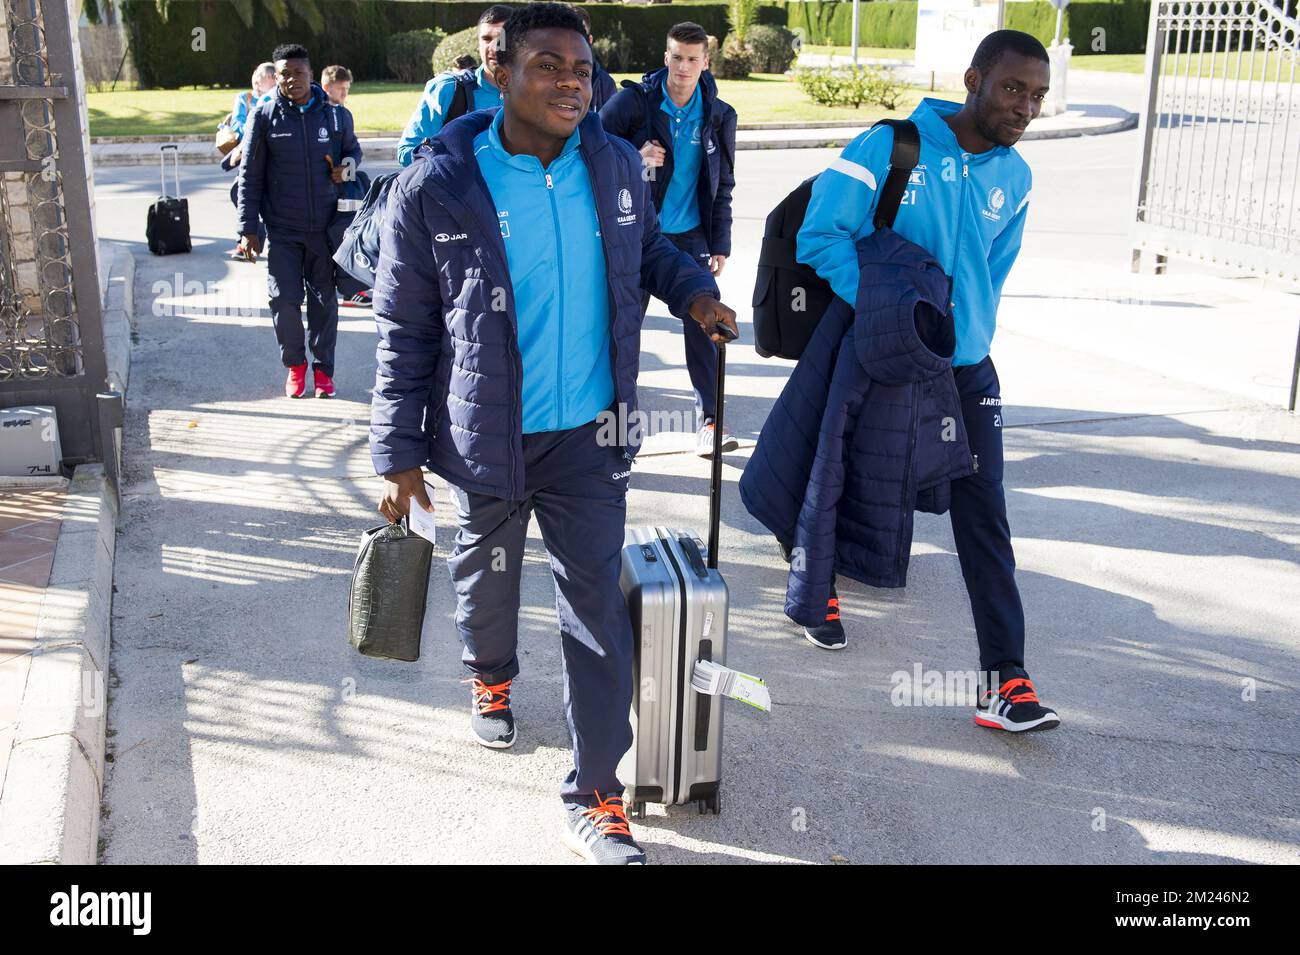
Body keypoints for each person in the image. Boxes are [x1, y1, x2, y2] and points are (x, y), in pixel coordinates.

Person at [370, 2, 738, 864]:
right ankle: (489, 675)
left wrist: (691, 292)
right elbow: (405, 329)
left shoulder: (611, 165)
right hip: (485, 436)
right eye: (549, 66)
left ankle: (597, 795)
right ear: (499, 71)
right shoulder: (439, 182)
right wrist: (398, 454)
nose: (572, 83)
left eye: (583, 69)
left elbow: (647, 249)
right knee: (486, 585)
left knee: (595, 612)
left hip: (590, 437)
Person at [793, 30, 1059, 732]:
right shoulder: (892, 146)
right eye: (1012, 88)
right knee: (841, 475)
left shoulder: (1018, 178)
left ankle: (1007, 680)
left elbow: (993, 275)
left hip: (966, 369)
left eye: (1037, 95)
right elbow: (819, 235)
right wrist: (888, 306)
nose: (1024, 107)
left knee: (986, 515)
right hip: (885, 349)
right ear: (973, 78)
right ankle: (817, 588)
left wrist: (967, 339)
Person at [600, 21, 737, 458]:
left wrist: (721, 241)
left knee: (706, 324)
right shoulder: (634, 103)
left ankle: (711, 422)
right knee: (622, 330)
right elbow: (590, 152)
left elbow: (723, 183)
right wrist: (632, 156)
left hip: (691, 237)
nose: (683, 67)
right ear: (666, 57)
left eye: (693, 59)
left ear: (705, 62)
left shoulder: (719, 114)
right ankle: (617, 423)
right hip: (635, 234)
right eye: (676, 57)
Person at [237, 42, 362, 399]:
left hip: (325, 229)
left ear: (311, 73)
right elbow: (250, 176)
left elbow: (354, 152)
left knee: (324, 302)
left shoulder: (336, 116)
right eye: (284, 74)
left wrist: (347, 167)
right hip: (283, 230)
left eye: (298, 73)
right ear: (276, 76)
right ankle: (295, 366)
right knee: (284, 301)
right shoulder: (264, 117)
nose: (291, 79)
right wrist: (248, 229)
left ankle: (324, 371)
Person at [395, 5, 513, 166]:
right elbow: (407, 152)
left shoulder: (537, 93)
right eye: (486, 39)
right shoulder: (448, 88)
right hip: (458, 189)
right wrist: (452, 162)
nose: (493, 47)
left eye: (501, 39)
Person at [222, 62, 275, 260]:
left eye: (260, 74)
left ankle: (256, 239)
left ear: (271, 78)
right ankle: (248, 237)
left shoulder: (280, 97)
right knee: (240, 192)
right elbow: (238, 124)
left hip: (272, 157)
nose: (255, 78)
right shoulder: (245, 98)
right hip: (250, 155)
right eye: (255, 73)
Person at [571, 6, 616, 112]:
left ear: (590, 40)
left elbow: (611, 127)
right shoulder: (547, 80)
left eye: (580, 35)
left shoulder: (605, 84)